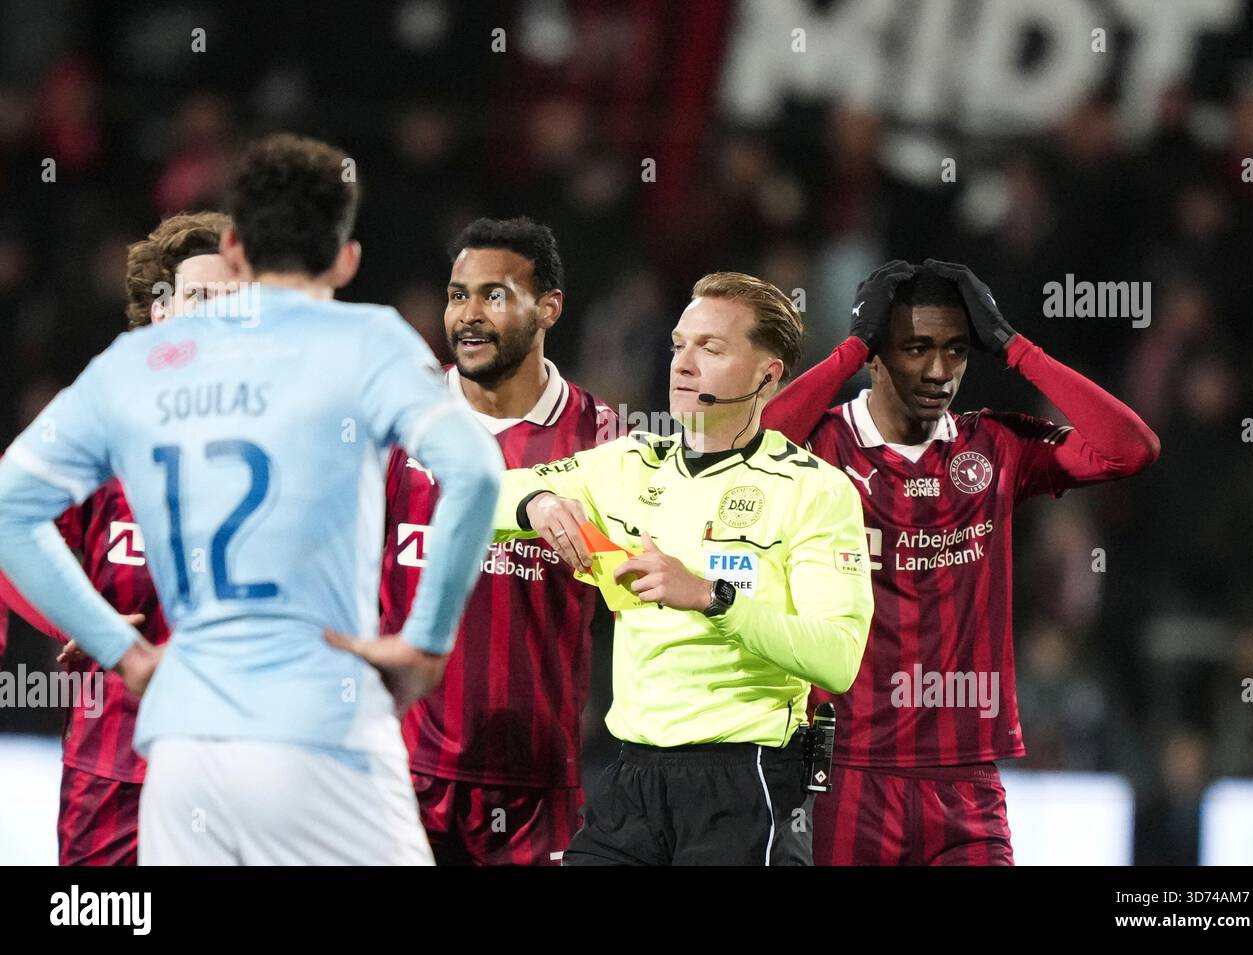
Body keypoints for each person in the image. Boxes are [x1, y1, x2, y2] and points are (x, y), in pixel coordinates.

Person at [0, 133, 504, 865]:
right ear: (346, 257)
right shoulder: (367, 341)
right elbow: (477, 472)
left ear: (234, 248)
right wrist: (425, 643)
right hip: (315, 730)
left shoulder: (137, 368)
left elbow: (10, 503)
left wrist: (122, 651)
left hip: (178, 742)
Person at [760, 259, 1160, 865]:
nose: (940, 370)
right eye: (916, 348)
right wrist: (848, 348)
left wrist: (1013, 345)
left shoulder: (995, 446)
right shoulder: (822, 445)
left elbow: (1131, 449)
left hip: (967, 786)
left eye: (956, 350)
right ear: (875, 353)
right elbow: (751, 447)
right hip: (848, 775)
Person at [492, 271, 874, 865]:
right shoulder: (628, 464)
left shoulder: (815, 491)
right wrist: (535, 502)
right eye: (678, 345)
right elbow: (472, 490)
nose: (683, 364)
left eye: (711, 348)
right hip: (631, 779)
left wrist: (712, 597)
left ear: (766, 375)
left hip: (746, 781)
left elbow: (838, 657)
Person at [381, 216, 617, 864]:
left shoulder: (604, 438)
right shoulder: (398, 420)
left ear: (549, 306)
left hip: (535, 790)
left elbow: (642, 590)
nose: (469, 315)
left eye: (494, 295)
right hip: (399, 778)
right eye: (458, 294)